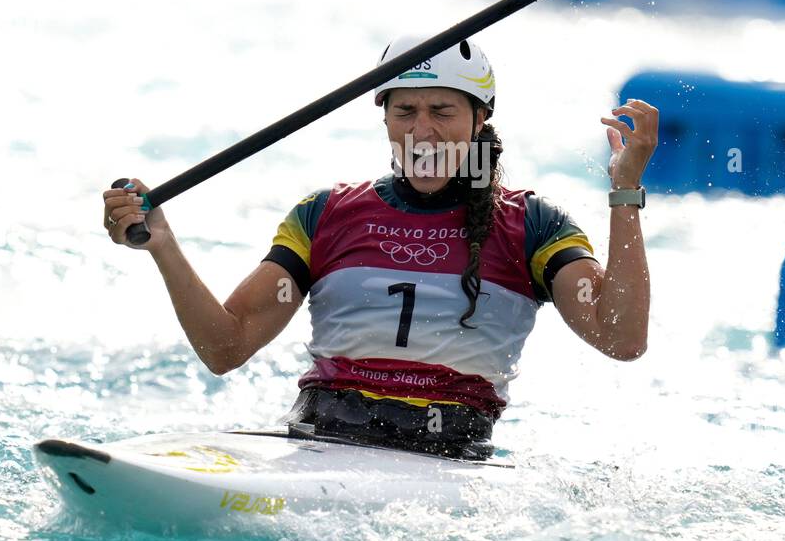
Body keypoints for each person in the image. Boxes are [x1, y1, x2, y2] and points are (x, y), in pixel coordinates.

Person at [103, 36, 657, 460]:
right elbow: (226, 348)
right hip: (319, 442)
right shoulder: (325, 216)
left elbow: (622, 337)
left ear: (480, 118)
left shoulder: (534, 226)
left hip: (453, 458)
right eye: (405, 112)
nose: (422, 131)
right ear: (385, 117)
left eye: (442, 112)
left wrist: (624, 193)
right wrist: (165, 248)